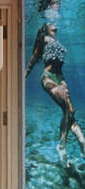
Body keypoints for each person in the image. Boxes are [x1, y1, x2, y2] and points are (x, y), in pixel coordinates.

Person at [26, 21, 85, 168]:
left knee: (69, 111)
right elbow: (34, 58)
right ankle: (64, 144)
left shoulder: (56, 40)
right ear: (45, 28)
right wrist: (25, 74)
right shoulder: (43, 39)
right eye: (51, 24)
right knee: (69, 109)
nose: (55, 26)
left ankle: (81, 142)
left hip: (61, 79)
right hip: (49, 78)